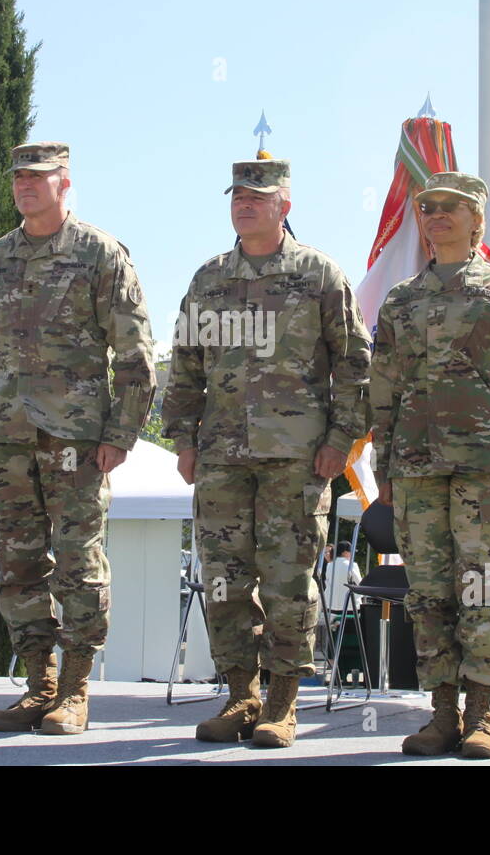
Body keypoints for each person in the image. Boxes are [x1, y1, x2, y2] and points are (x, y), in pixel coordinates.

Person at [162, 155, 372, 748]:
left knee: (287, 580)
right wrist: (181, 438)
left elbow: (356, 364)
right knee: (224, 580)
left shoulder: (319, 274)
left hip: (299, 458)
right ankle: (240, 696)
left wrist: (340, 442)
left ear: (285, 205)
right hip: (221, 454)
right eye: (238, 195)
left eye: (258, 196)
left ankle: (282, 703)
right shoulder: (208, 279)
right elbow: (184, 366)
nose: (245, 203)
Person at [0, 141, 156, 736]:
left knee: (78, 563)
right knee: (18, 566)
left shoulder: (99, 253)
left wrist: (122, 431)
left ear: (64, 183)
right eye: (18, 176)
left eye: (38, 177)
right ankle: (38, 685)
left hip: (76, 435)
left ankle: (75, 691)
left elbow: (135, 353)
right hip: (8, 435)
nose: (25, 185)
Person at [370, 171, 490, 759]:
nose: (438, 215)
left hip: (486, 470)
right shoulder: (402, 300)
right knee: (428, 594)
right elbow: (384, 391)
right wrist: (384, 468)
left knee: (479, 588)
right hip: (416, 468)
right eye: (429, 208)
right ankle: (442, 714)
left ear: (478, 219)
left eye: (452, 207)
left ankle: (482, 715)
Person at [323, 541, 363, 614]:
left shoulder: (329, 565)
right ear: (344, 552)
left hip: (330, 605)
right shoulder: (352, 565)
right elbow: (361, 584)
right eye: (351, 551)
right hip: (350, 606)